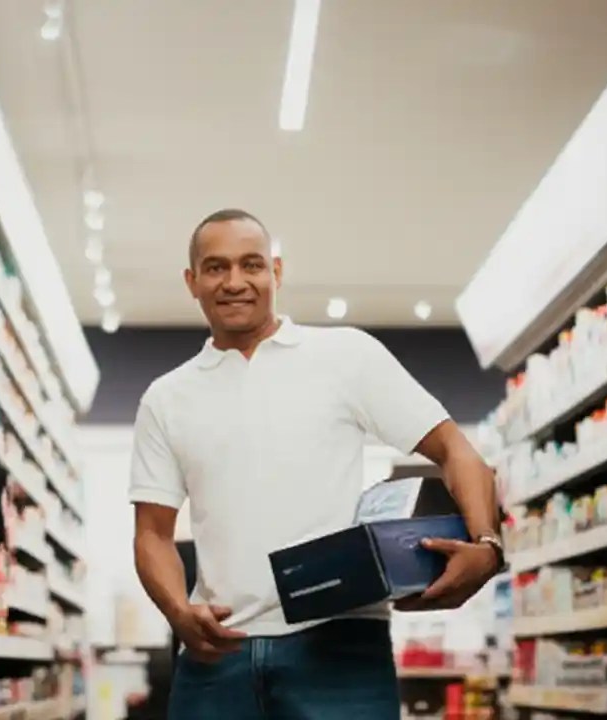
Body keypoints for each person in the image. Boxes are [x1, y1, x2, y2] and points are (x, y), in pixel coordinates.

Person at [129, 209, 503, 719]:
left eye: (252, 265)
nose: (235, 281)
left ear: (276, 273)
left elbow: (457, 451)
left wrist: (487, 545)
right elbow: (152, 533)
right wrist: (177, 609)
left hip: (340, 651)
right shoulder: (166, 398)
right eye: (216, 268)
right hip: (217, 656)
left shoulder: (345, 356)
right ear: (191, 281)